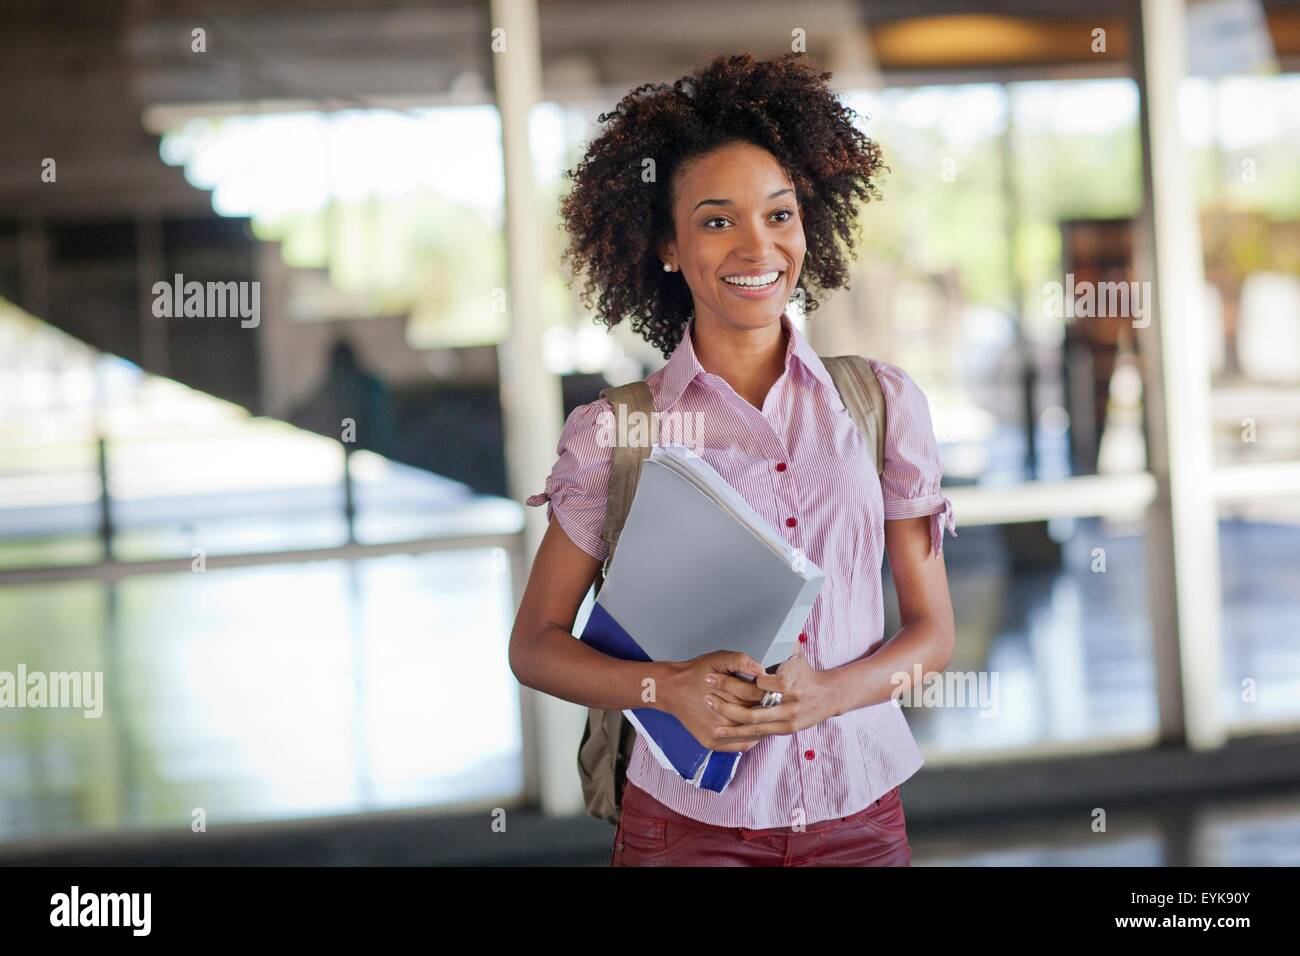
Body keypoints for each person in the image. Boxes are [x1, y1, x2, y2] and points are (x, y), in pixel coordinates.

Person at [510, 53, 956, 867]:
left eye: (779, 214)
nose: (758, 244)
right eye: (718, 221)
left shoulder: (883, 406)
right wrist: (667, 687)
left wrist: (831, 693)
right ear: (670, 249)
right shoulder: (618, 432)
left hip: (860, 819)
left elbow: (932, 634)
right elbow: (535, 644)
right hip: (688, 829)